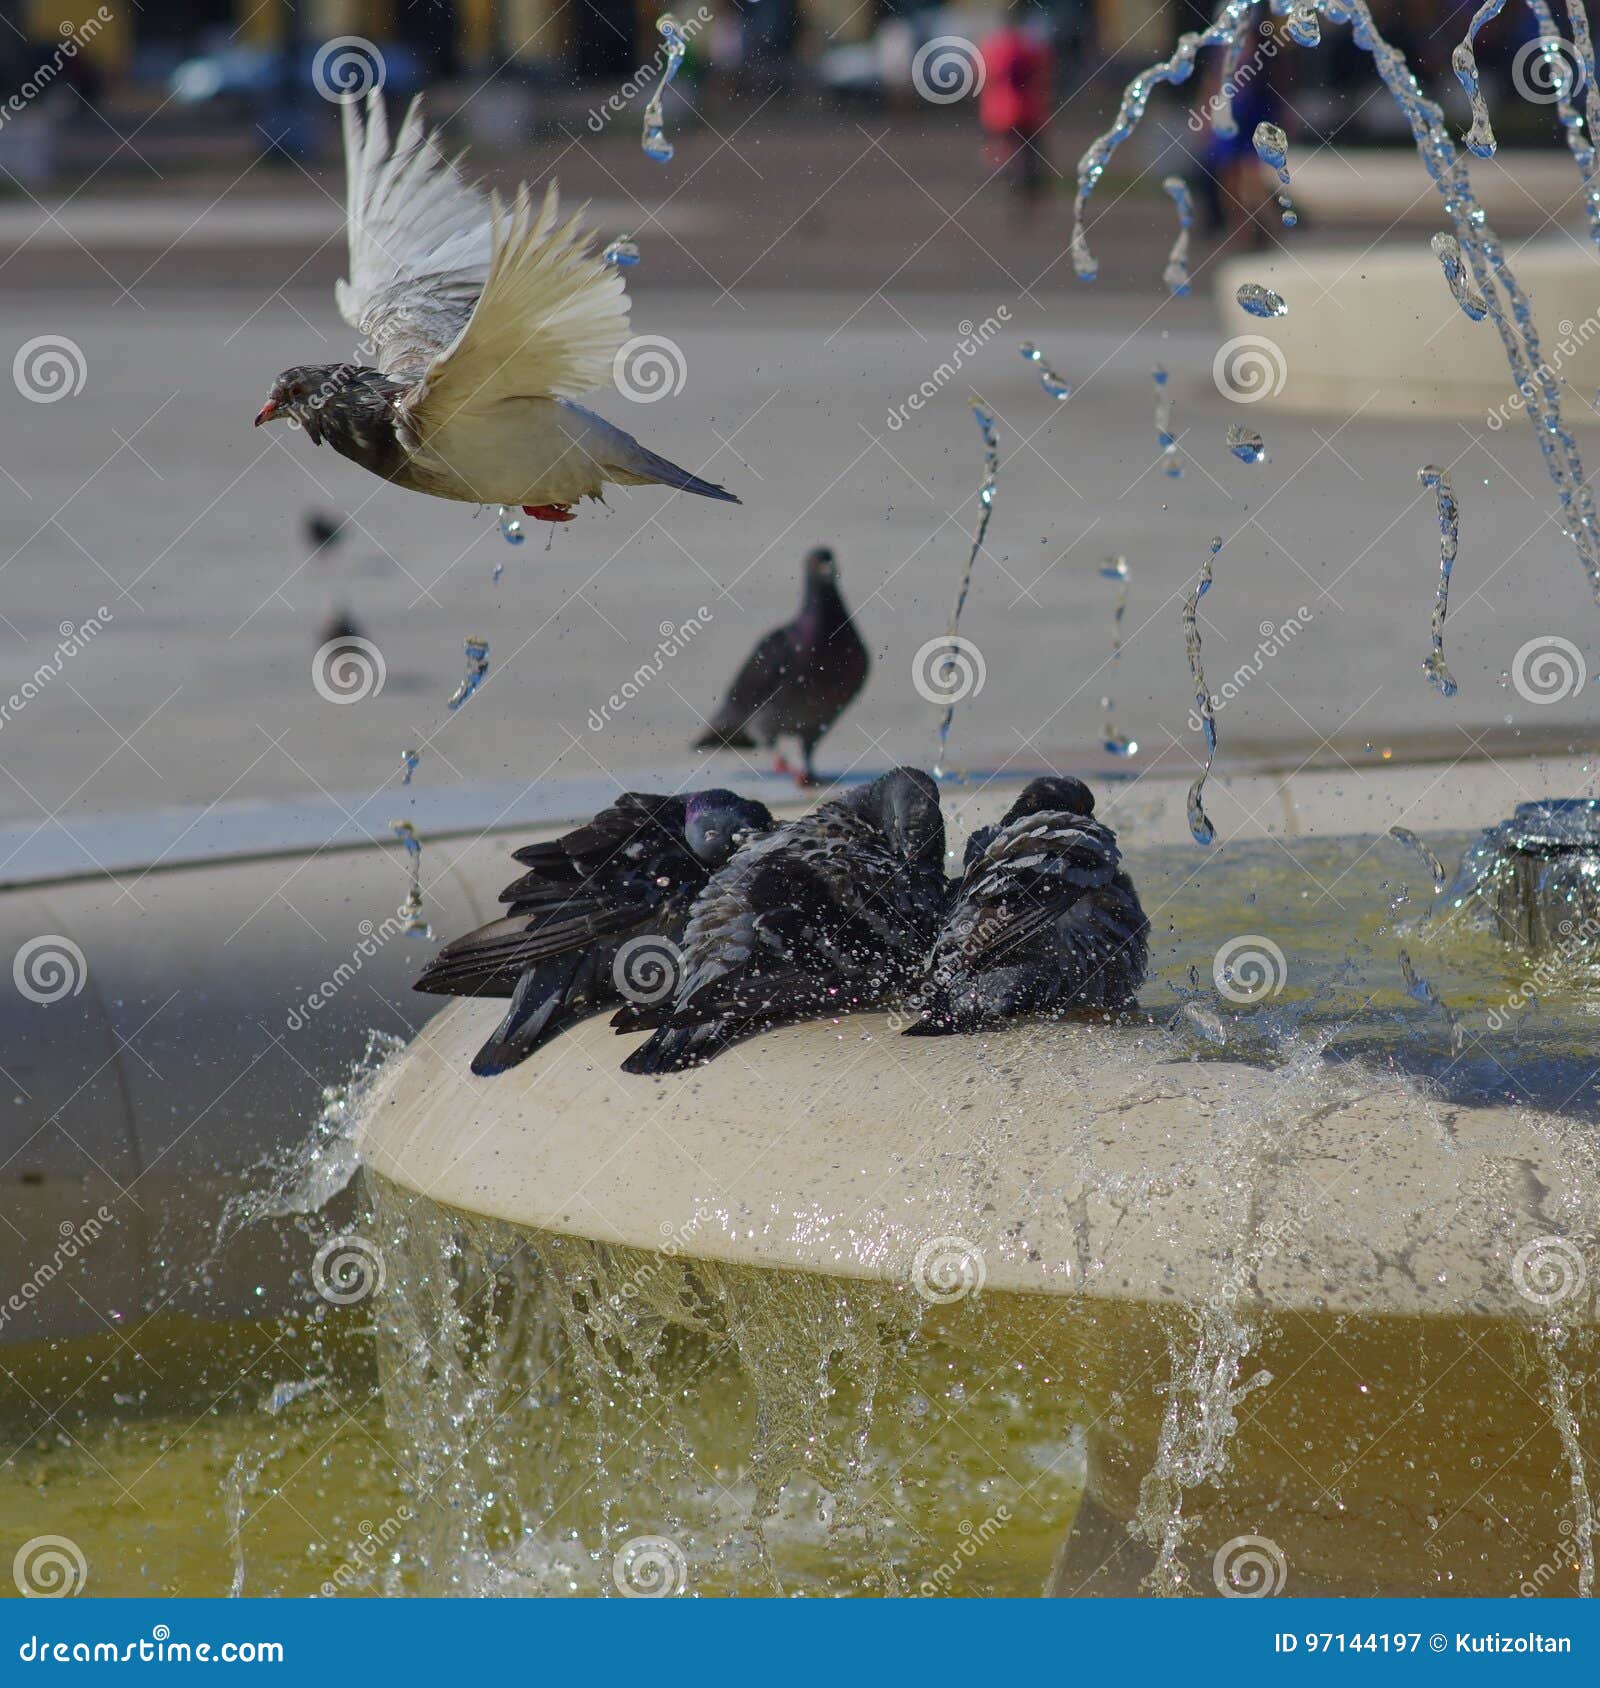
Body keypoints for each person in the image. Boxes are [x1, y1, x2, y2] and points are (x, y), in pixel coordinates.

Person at [979, 2, 1055, 214]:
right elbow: (1043, 73)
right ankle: (1027, 193)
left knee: (1003, 152)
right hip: (1026, 110)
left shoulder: (991, 46)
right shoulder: (1029, 46)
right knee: (1029, 155)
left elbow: (982, 76)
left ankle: (1009, 187)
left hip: (998, 112)